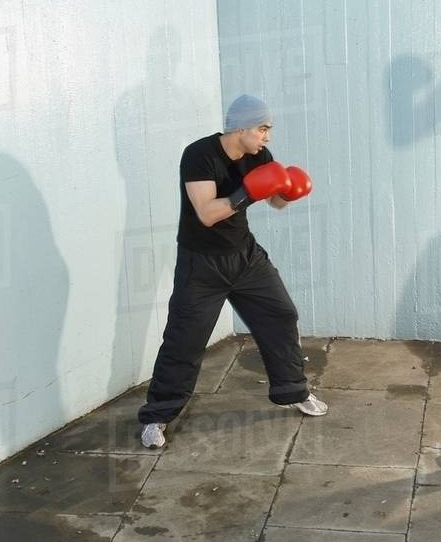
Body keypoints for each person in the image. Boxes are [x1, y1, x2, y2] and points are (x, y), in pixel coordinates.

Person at [138, 94, 327, 448]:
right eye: (263, 128)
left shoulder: (260, 157)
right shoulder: (199, 155)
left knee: (281, 315)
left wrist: (289, 191)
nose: (267, 136)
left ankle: (292, 390)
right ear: (241, 127)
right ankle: (157, 416)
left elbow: (276, 203)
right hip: (201, 262)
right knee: (185, 338)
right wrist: (247, 192)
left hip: (245, 256)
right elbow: (207, 214)